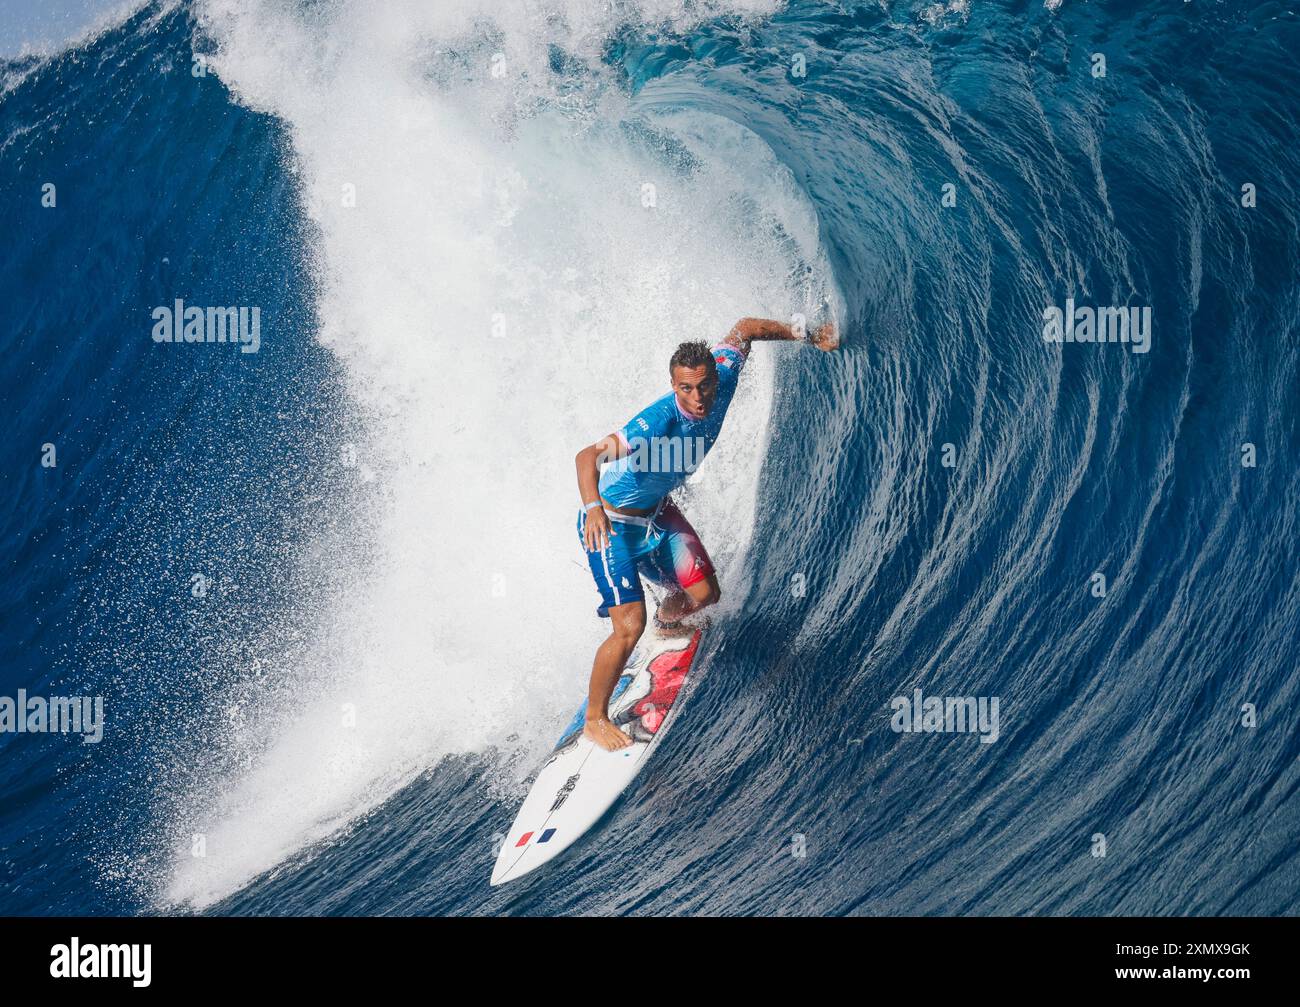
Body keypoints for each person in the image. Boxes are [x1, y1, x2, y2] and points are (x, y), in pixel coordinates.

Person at [574, 316, 839, 750]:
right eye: (686, 389)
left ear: (716, 376)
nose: (697, 398)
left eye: (703, 386)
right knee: (628, 626)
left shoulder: (726, 373)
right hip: (612, 526)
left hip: (658, 515)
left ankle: (666, 619)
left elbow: (746, 328)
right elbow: (587, 456)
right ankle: (594, 718)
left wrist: (809, 334)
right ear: (673, 385)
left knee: (704, 596)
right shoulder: (655, 421)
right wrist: (592, 509)